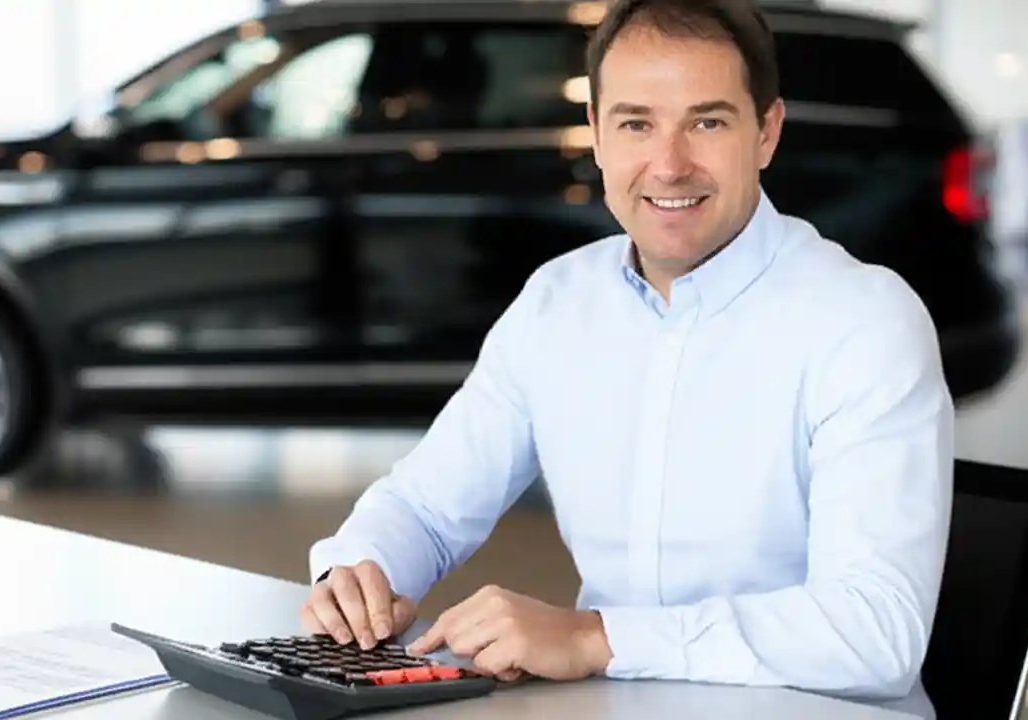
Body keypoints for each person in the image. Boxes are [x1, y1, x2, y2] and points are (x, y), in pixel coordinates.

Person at [302, 0, 953, 716]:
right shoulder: (558, 302)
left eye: (707, 122)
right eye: (637, 123)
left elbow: (875, 633)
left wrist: (598, 638)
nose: (669, 165)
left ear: (766, 132)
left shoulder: (862, 321)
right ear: (598, 136)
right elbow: (427, 506)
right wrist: (362, 566)